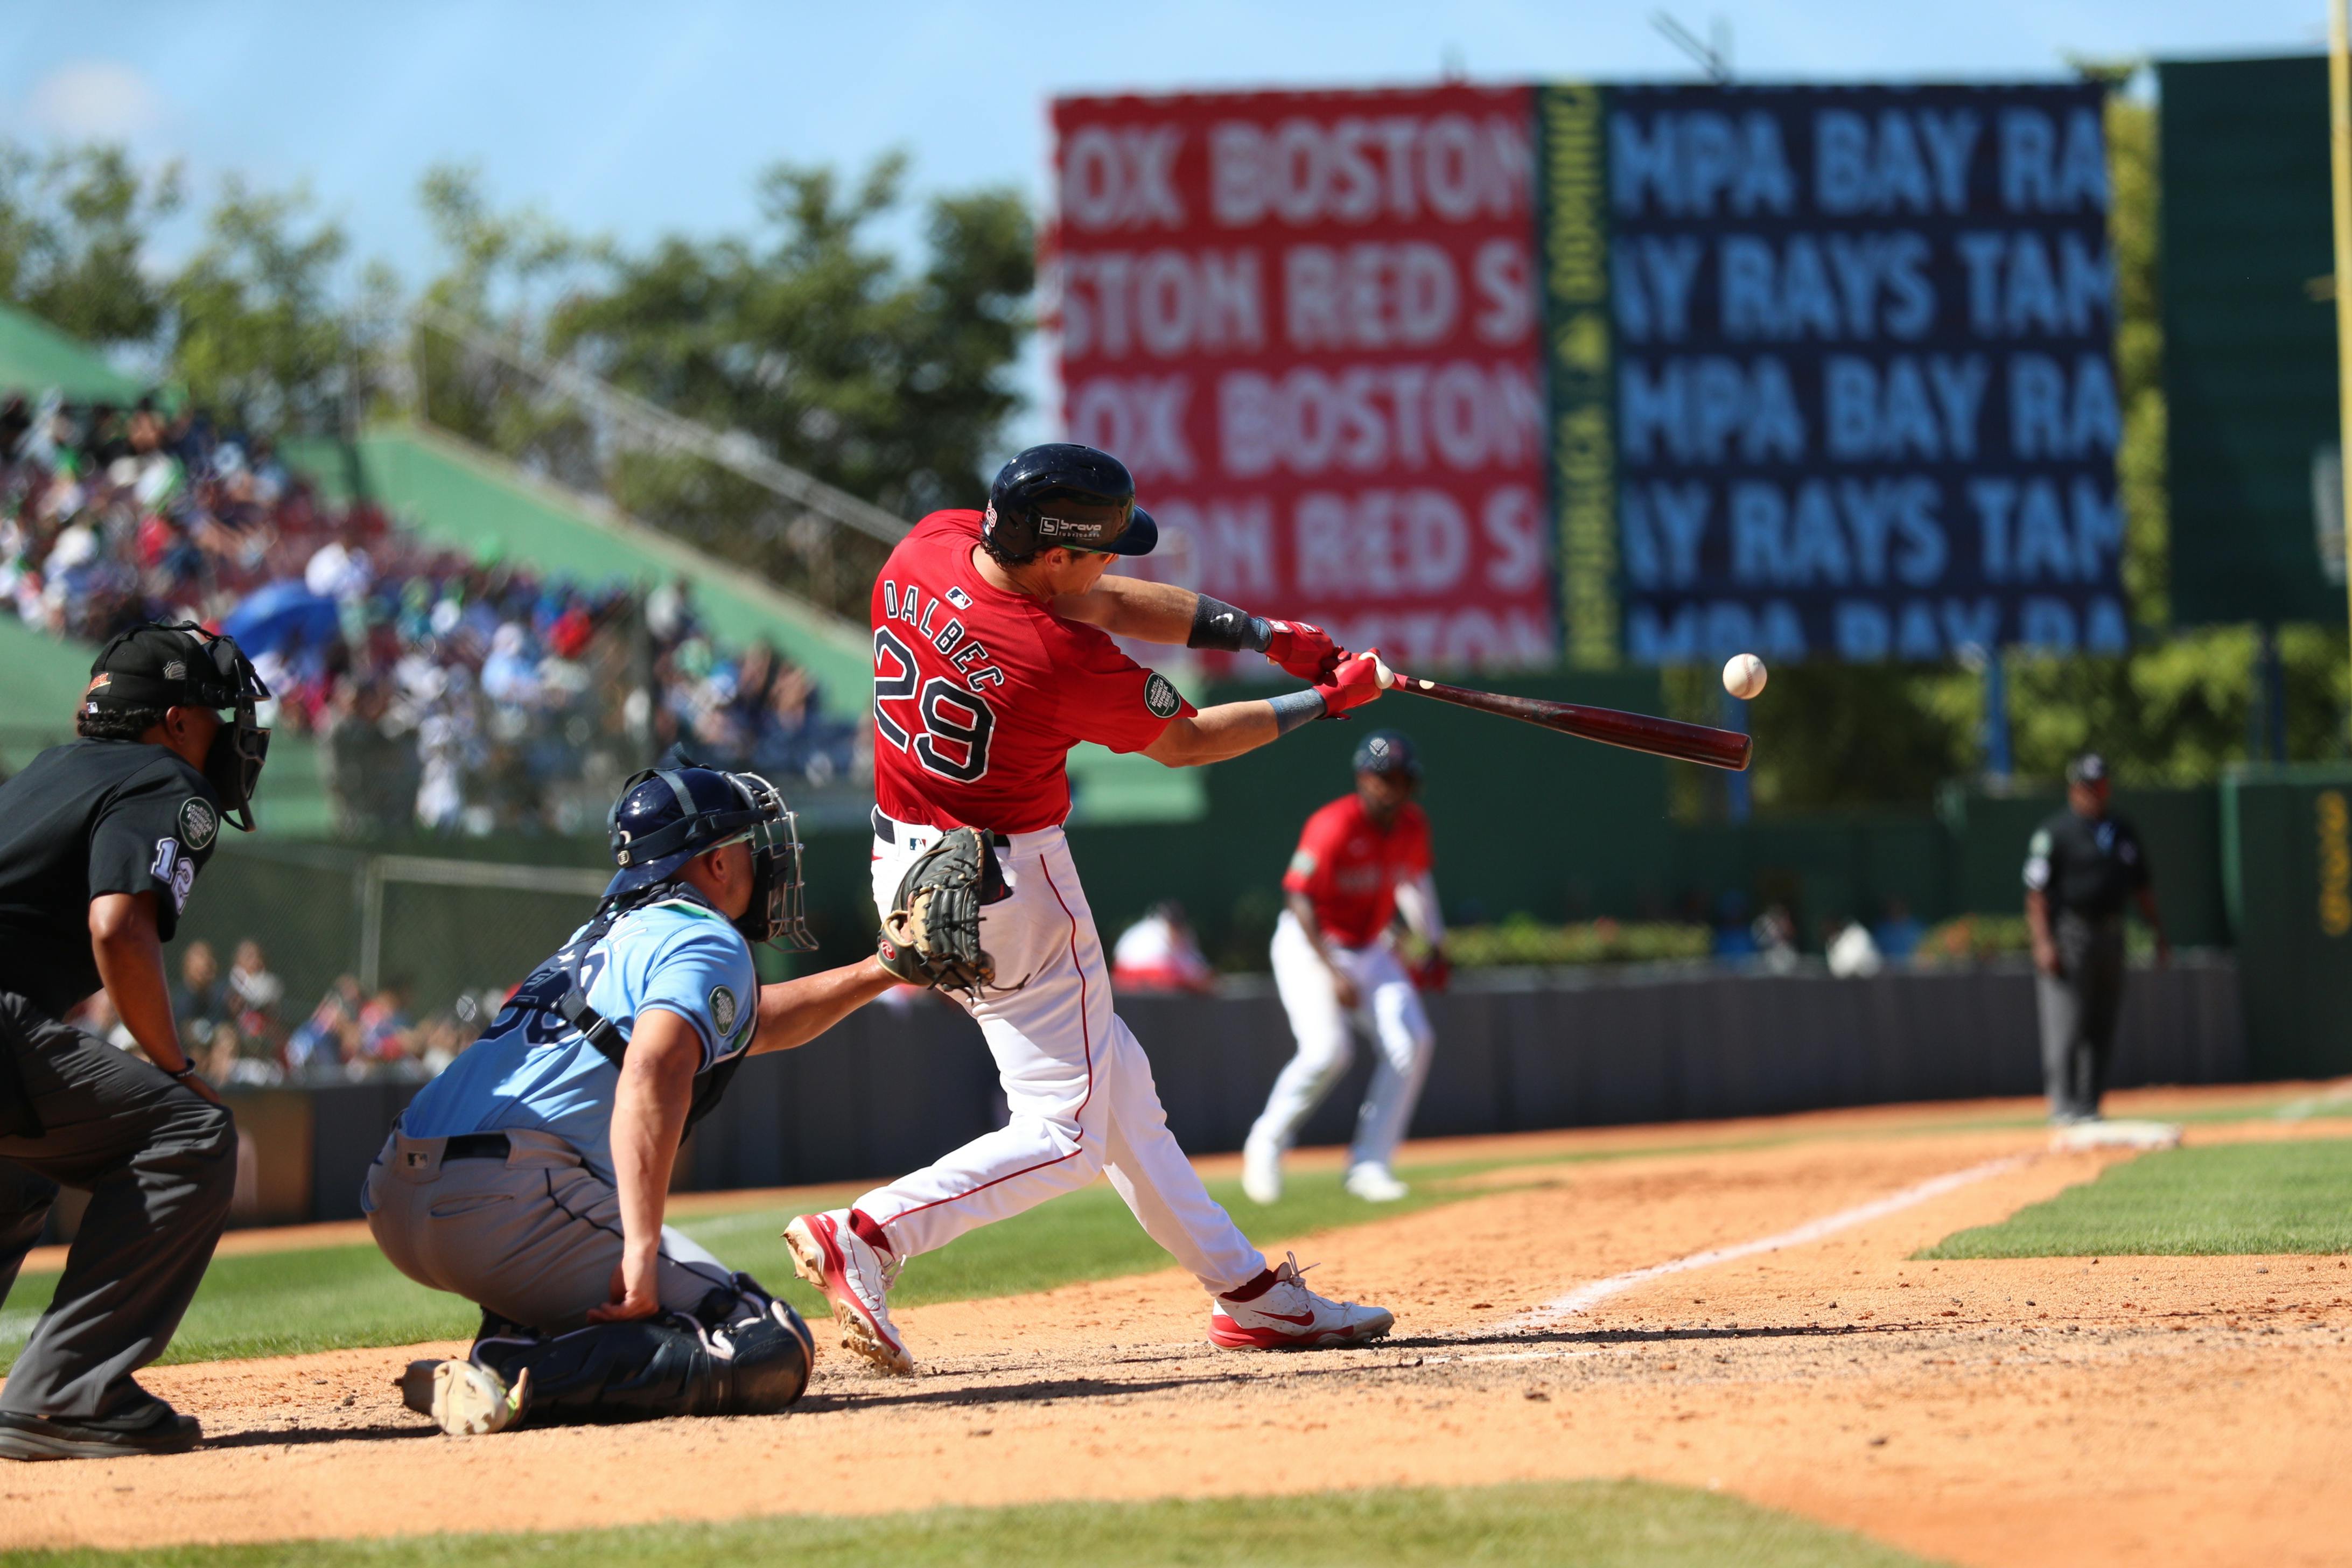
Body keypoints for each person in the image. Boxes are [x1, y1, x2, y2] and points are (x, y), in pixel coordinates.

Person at [783, 442, 1395, 1376]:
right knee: (1065, 1137)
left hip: (904, 863)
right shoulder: (1054, 657)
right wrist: (1322, 701)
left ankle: (1250, 1295)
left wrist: (1266, 635)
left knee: (1119, 1095)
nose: (1114, 563)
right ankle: (867, 1234)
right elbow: (1187, 740)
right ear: (1058, 553)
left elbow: (1101, 599)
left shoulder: (928, 545)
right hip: (1009, 888)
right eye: (1102, 548)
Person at [365, 764, 902, 1436]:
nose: (762, 858)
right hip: (507, 1202)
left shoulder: (612, 935)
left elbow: (748, 1023)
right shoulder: (707, 935)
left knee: (669, 1310)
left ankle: (521, 1333)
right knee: (767, 1340)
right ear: (716, 862)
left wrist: (886, 967)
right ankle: (512, 1370)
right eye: (747, 843)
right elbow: (654, 1067)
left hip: (398, 1192)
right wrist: (641, 1255)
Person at [0, 620, 271, 1459]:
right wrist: (174, 1068)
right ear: (178, 721)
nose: (233, 736)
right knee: (190, 1132)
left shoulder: (43, 773)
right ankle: (66, 1396)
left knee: (16, 1169)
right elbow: (118, 927)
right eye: (221, 716)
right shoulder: (165, 778)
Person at [1242, 730, 1446, 1206]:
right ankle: (1267, 1141)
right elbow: (1299, 898)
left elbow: (1414, 880)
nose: (1387, 786)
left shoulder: (1412, 826)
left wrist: (1434, 942)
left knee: (1413, 1041)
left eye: (1396, 777)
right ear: (1362, 778)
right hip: (1310, 944)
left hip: (1370, 946)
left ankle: (1370, 1163)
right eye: (1380, 776)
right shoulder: (1333, 824)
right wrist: (1333, 970)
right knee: (1328, 1051)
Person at [2024, 752, 2169, 1124]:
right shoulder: (2056, 832)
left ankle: (2089, 1106)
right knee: (2067, 1022)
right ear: (2075, 789)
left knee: (2102, 1022)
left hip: (2112, 932)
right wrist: (2043, 942)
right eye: (2089, 786)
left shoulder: (2121, 830)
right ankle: (2063, 1107)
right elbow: (2036, 893)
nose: (2097, 792)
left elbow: (2142, 887)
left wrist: (2158, 932)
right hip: (2072, 932)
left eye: (2102, 785)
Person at [1110, 901, 1217, 994]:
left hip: (1130, 987)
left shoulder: (1184, 936)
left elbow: (1196, 971)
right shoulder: (1151, 932)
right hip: (1129, 981)